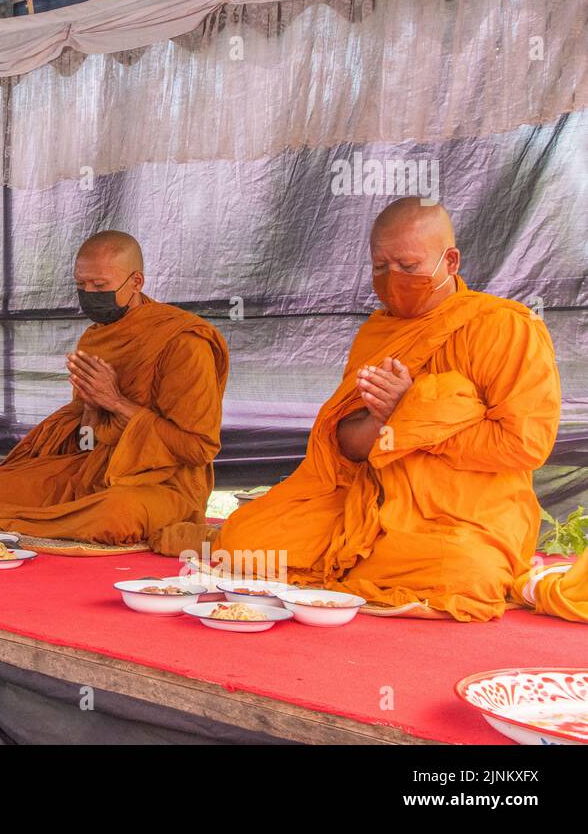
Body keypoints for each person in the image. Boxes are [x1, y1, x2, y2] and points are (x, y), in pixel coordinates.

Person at [217, 198, 561, 621]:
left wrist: (414, 412)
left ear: (449, 261)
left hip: (458, 517)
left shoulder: (505, 327)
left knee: (464, 570)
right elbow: (346, 445)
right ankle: (367, 568)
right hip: (365, 506)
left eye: (408, 266)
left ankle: (382, 570)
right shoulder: (378, 333)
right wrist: (384, 419)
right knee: (243, 538)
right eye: (380, 267)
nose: (392, 278)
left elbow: (524, 445)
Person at [0, 231, 228, 554]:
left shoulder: (183, 343)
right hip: (94, 470)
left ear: (136, 281)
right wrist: (90, 409)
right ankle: (54, 523)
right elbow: (87, 441)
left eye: (100, 286)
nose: (89, 294)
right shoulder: (94, 339)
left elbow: (197, 449)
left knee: (113, 515)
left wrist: (115, 401)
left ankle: (39, 524)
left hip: (162, 485)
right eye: (81, 286)